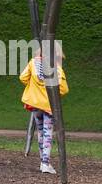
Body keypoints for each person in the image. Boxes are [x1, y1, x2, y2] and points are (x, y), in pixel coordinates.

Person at [19, 45, 69, 175]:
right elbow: (63, 89)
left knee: (41, 132)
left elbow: (23, 78)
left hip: (35, 103)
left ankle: (43, 162)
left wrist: (34, 86)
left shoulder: (33, 62)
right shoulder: (56, 68)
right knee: (47, 133)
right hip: (48, 105)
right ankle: (45, 163)